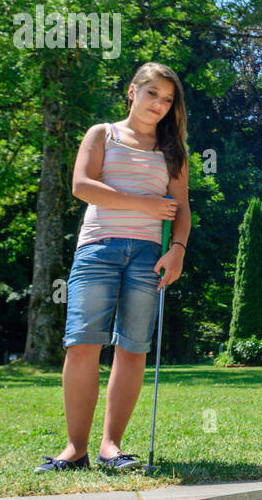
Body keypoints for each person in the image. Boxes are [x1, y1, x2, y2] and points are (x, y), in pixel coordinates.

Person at [37, 62, 190, 472]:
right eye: (152, 93)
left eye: (167, 99)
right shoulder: (102, 134)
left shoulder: (173, 150)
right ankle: (75, 449)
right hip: (97, 249)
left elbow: (182, 211)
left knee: (132, 347)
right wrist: (145, 203)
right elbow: (82, 186)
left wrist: (177, 249)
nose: (159, 104)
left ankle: (111, 447)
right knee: (83, 343)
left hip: (148, 256)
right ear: (132, 91)